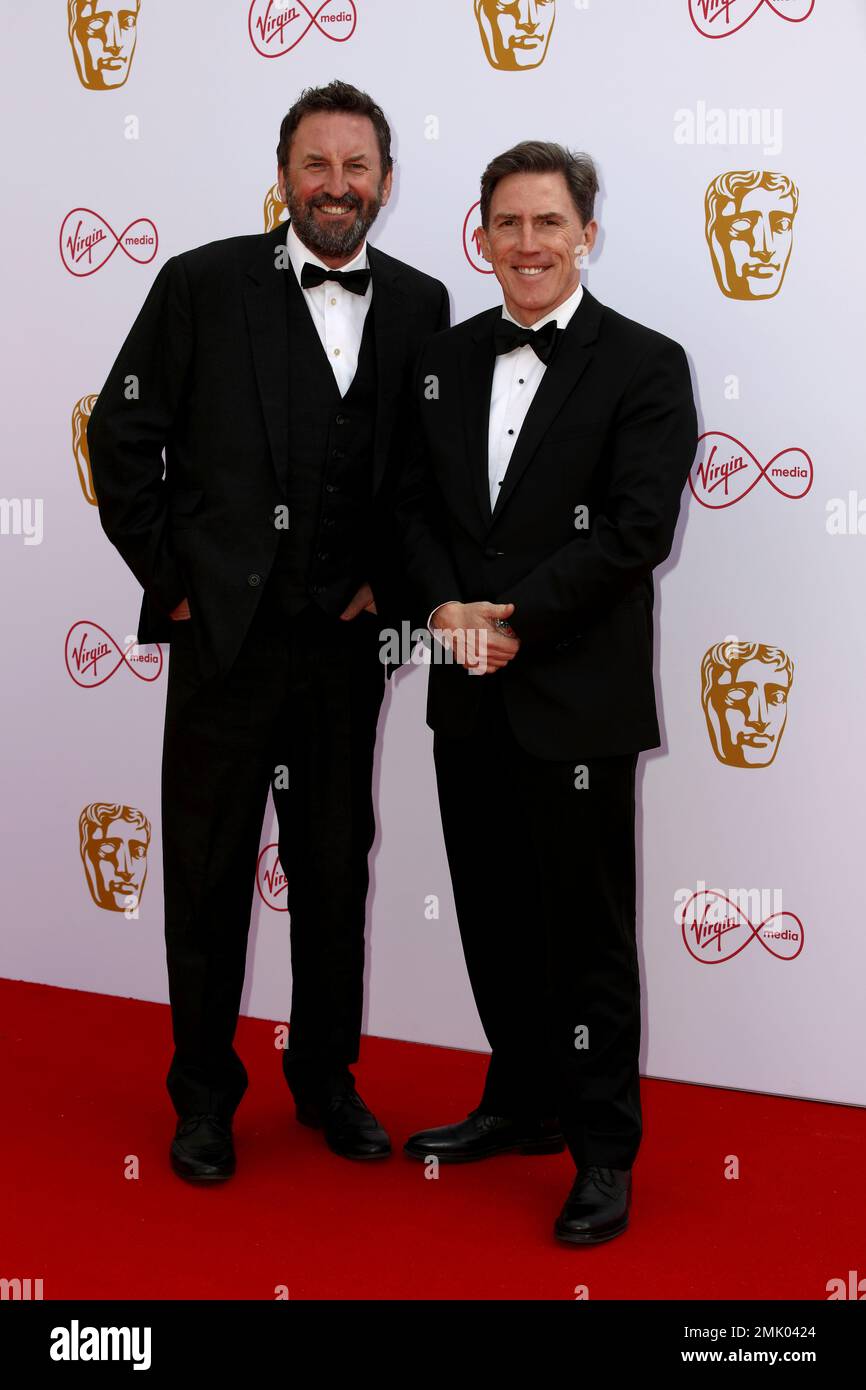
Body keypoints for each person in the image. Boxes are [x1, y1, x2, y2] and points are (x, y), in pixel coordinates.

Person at [87, 80, 449, 1182]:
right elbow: (119, 432)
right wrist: (175, 580)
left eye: (355, 166)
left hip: (346, 653)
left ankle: (325, 1081)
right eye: (315, 164)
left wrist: (385, 586)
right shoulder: (200, 284)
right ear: (283, 174)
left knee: (334, 872)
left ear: (385, 181)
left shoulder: (424, 305)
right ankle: (202, 1095)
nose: (335, 185)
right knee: (203, 874)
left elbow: (427, 481)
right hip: (223, 645)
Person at [396, 141, 697, 1243]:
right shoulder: (438, 359)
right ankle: (519, 1102)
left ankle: (601, 1149)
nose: (526, 243)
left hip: (574, 696)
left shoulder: (645, 364)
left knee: (586, 936)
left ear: (586, 234)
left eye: (547, 223)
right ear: (479, 237)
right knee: (493, 918)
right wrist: (441, 611)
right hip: (464, 686)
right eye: (506, 224)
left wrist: (508, 619)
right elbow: (410, 509)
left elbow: (632, 533)